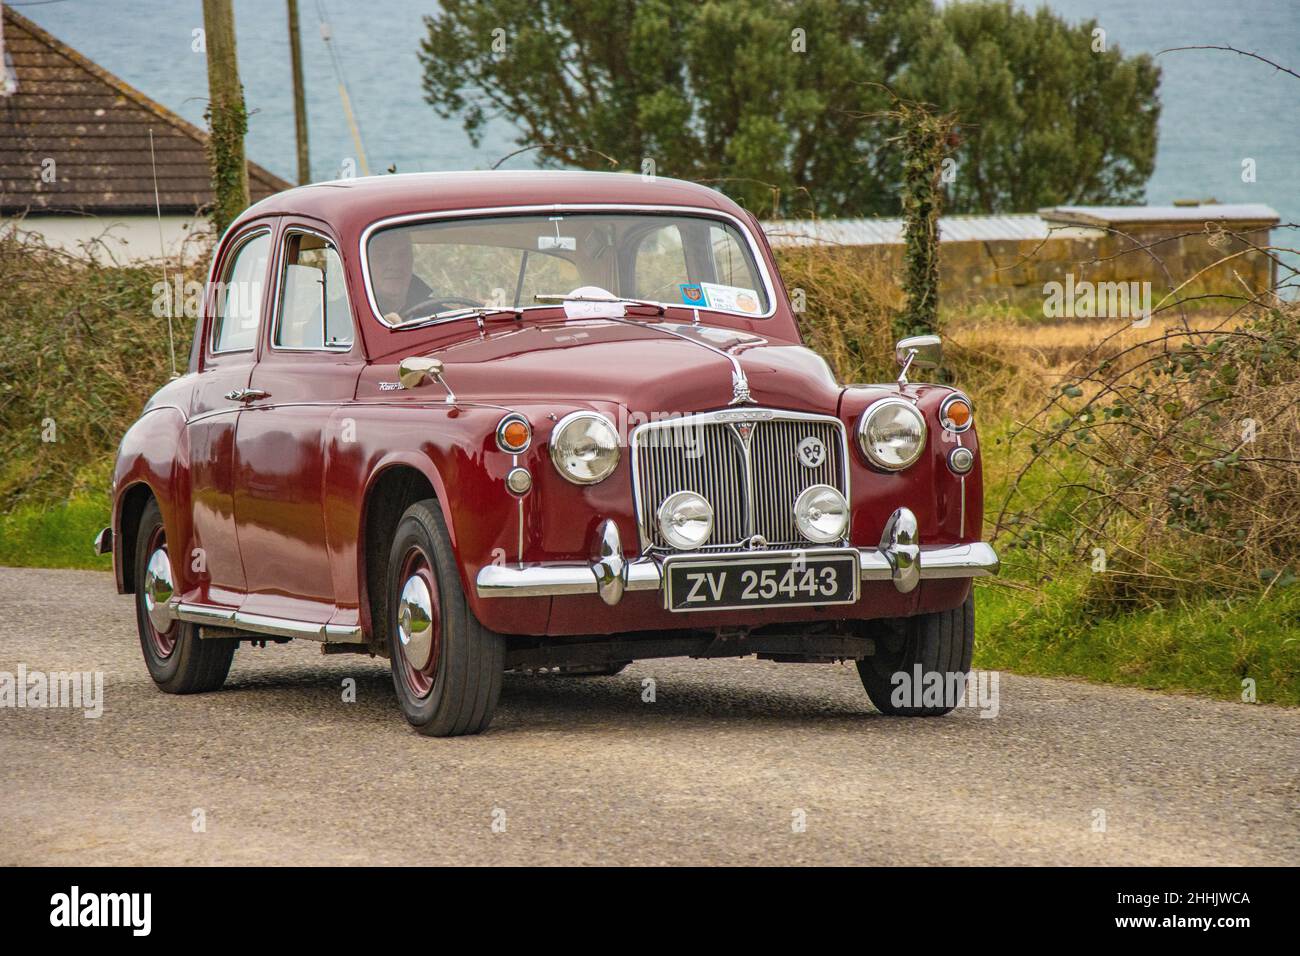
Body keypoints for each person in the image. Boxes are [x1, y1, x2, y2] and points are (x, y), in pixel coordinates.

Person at [369, 228, 435, 318]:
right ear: (366, 263)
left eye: (402, 255)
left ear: (411, 259)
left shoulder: (436, 312)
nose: (395, 265)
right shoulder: (348, 317)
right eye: (381, 256)